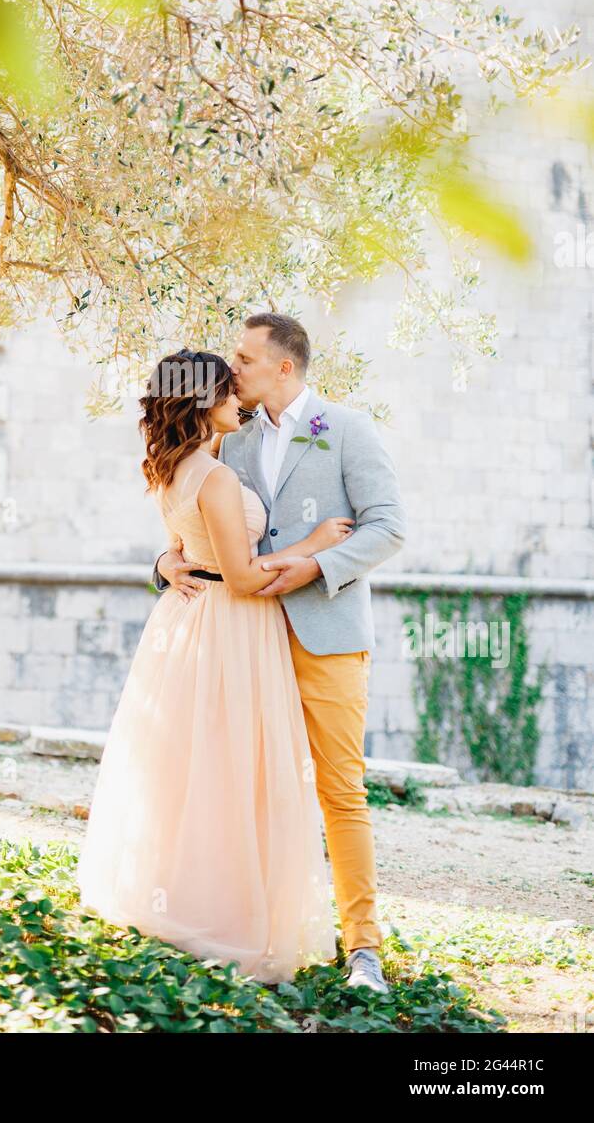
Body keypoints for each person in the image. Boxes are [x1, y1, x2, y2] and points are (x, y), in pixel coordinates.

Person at [76, 348, 354, 983]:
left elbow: (185, 548)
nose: (241, 401)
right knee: (233, 767)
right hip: (231, 621)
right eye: (229, 393)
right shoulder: (218, 476)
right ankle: (227, 916)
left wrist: (166, 564)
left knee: (191, 767)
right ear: (204, 400)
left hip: (184, 619)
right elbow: (245, 576)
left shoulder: (170, 467)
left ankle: (182, 895)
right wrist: (314, 545)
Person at [154, 314, 406, 993]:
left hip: (325, 634)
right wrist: (161, 562)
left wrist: (317, 567)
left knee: (339, 791)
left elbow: (388, 527)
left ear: (284, 368)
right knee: (240, 784)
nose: (232, 369)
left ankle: (362, 949)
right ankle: (246, 920)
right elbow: (194, 521)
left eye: (245, 358)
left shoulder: (347, 429)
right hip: (244, 639)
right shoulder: (225, 435)